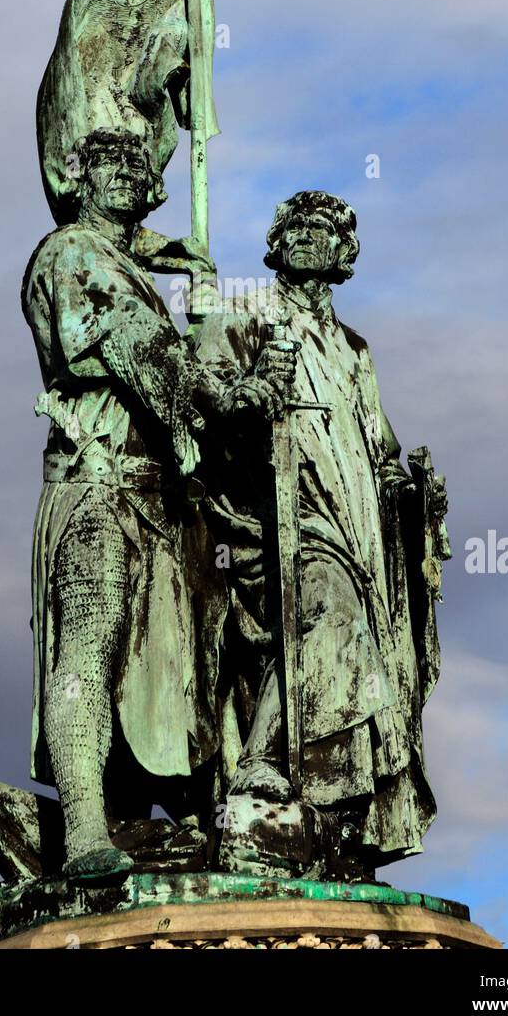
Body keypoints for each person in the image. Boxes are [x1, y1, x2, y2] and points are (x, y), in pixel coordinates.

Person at [22, 127, 253, 878]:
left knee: (179, 670)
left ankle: (170, 819)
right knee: (90, 644)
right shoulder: (67, 254)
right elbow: (127, 344)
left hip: (160, 500)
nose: (127, 174)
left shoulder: (128, 262)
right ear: (77, 176)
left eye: (138, 164)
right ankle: (87, 829)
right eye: (108, 163)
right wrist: (209, 385)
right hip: (97, 482)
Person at [194, 190, 447, 867]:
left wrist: (406, 489)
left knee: (355, 639)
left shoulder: (354, 348)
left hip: (355, 519)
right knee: (327, 613)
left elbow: (379, 445)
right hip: (274, 511)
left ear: (343, 254)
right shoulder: (245, 316)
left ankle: (334, 812)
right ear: (278, 245)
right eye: (296, 227)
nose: (308, 237)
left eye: (324, 230)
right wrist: (248, 393)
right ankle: (259, 771)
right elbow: (203, 395)